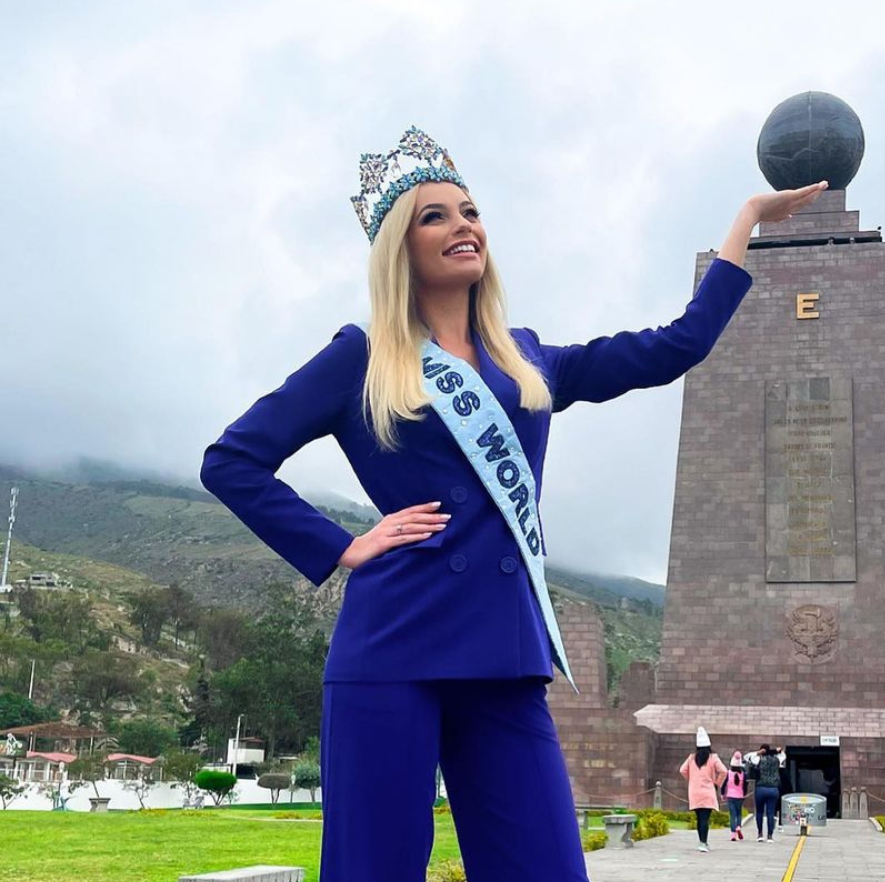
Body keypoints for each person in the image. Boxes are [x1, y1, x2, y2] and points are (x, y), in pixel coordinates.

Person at [200, 125, 827, 882]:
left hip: (503, 655)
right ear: (400, 245)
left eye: (469, 212)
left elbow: (675, 347)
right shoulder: (359, 358)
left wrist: (746, 224)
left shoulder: (527, 356)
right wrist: (340, 545)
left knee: (545, 867)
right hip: (391, 650)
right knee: (375, 869)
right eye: (435, 216)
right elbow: (231, 461)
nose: (463, 226)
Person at [679, 726, 728, 852]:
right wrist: (717, 783)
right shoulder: (713, 758)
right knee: (705, 818)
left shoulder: (691, 758)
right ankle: (703, 842)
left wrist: (692, 780)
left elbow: (682, 770)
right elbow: (723, 771)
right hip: (707, 791)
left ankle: (701, 841)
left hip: (694, 792)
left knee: (699, 818)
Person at [750, 743, 786, 842]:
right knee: (771, 812)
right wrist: (778, 751)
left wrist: (758, 752)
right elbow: (783, 755)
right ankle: (770, 836)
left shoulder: (758, 759)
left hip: (761, 788)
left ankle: (760, 834)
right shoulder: (777, 760)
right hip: (773, 789)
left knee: (760, 812)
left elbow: (749, 756)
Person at [721, 750, 748, 840]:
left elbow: (724, 784)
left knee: (732, 815)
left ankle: (733, 834)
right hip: (739, 797)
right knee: (739, 814)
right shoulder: (743, 774)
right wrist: (744, 794)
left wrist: (722, 794)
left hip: (730, 796)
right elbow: (745, 786)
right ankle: (739, 826)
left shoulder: (729, 773)